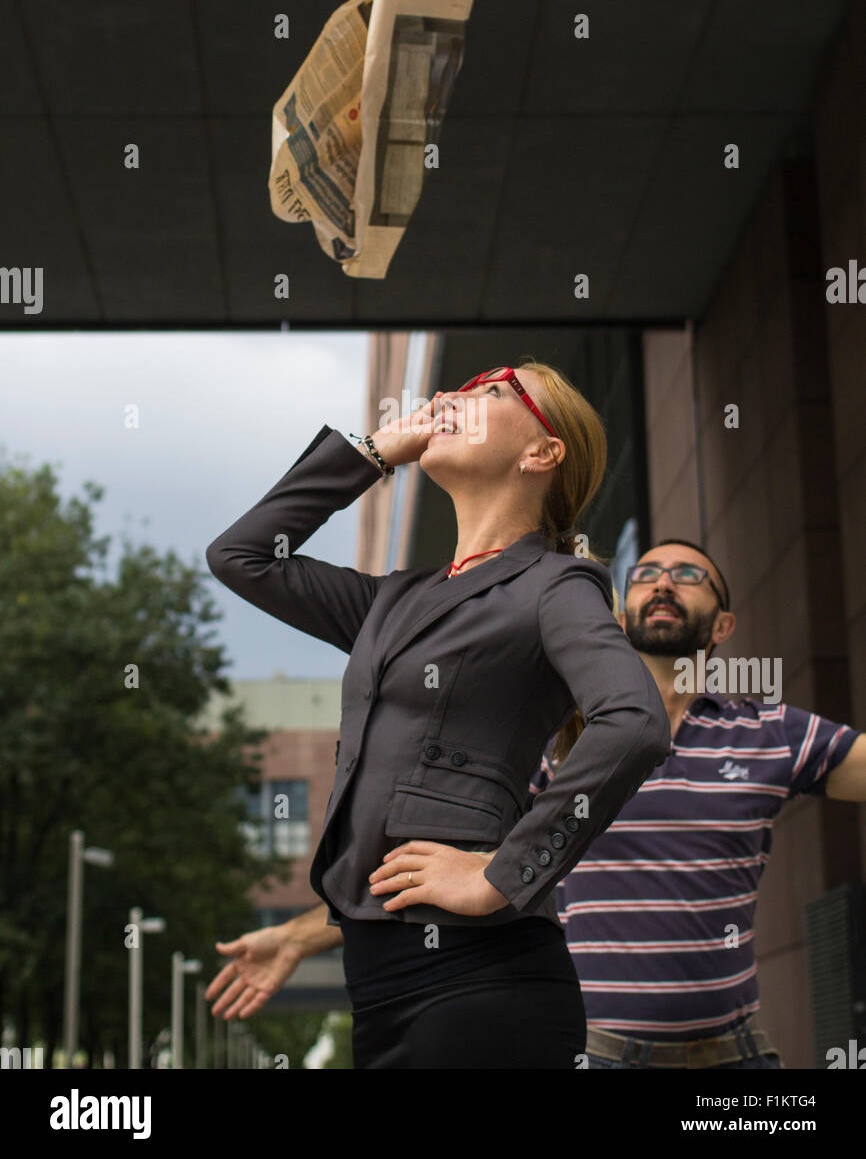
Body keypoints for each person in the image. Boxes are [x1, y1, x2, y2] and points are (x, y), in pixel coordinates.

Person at [205, 361, 670, 1069]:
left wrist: (499, 874)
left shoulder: (555, 583)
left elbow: (634, 721)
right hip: (382, 991)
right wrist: (372, 453)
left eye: (491, 392)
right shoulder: (391, 602)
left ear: (541, 453)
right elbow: (242, 556)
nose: (452, 397)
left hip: (481, 981)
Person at [533, 538, 865, 1070]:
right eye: (645, 574)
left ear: (722, 628)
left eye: (688, 574)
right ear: (620, 619)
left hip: (734, 1061)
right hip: (593, 1054)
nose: (664, 582)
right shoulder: (563, 738)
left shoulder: (770, 732)